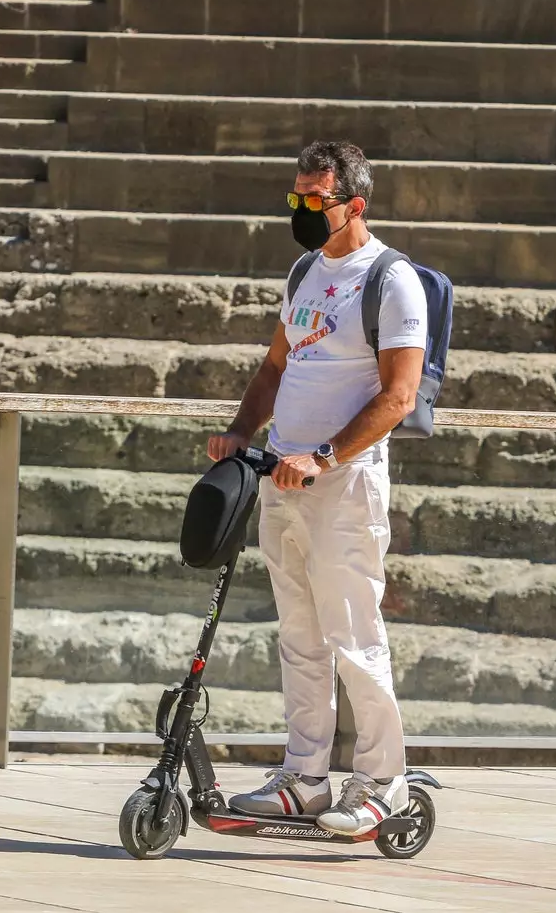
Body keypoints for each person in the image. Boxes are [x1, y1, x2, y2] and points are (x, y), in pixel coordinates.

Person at [206, 140, 428, 837]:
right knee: (299, 634)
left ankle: (382, 780)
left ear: (353, 205)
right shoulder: (305, 269)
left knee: (353, 634)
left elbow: (399, 396)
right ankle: (304, 775)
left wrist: (325, 457)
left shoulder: (391, 280)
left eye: (313, 200)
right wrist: (242, 430)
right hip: (282, 476)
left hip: (344, 483)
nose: (300, 210)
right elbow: (277, 366)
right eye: (293, 198)